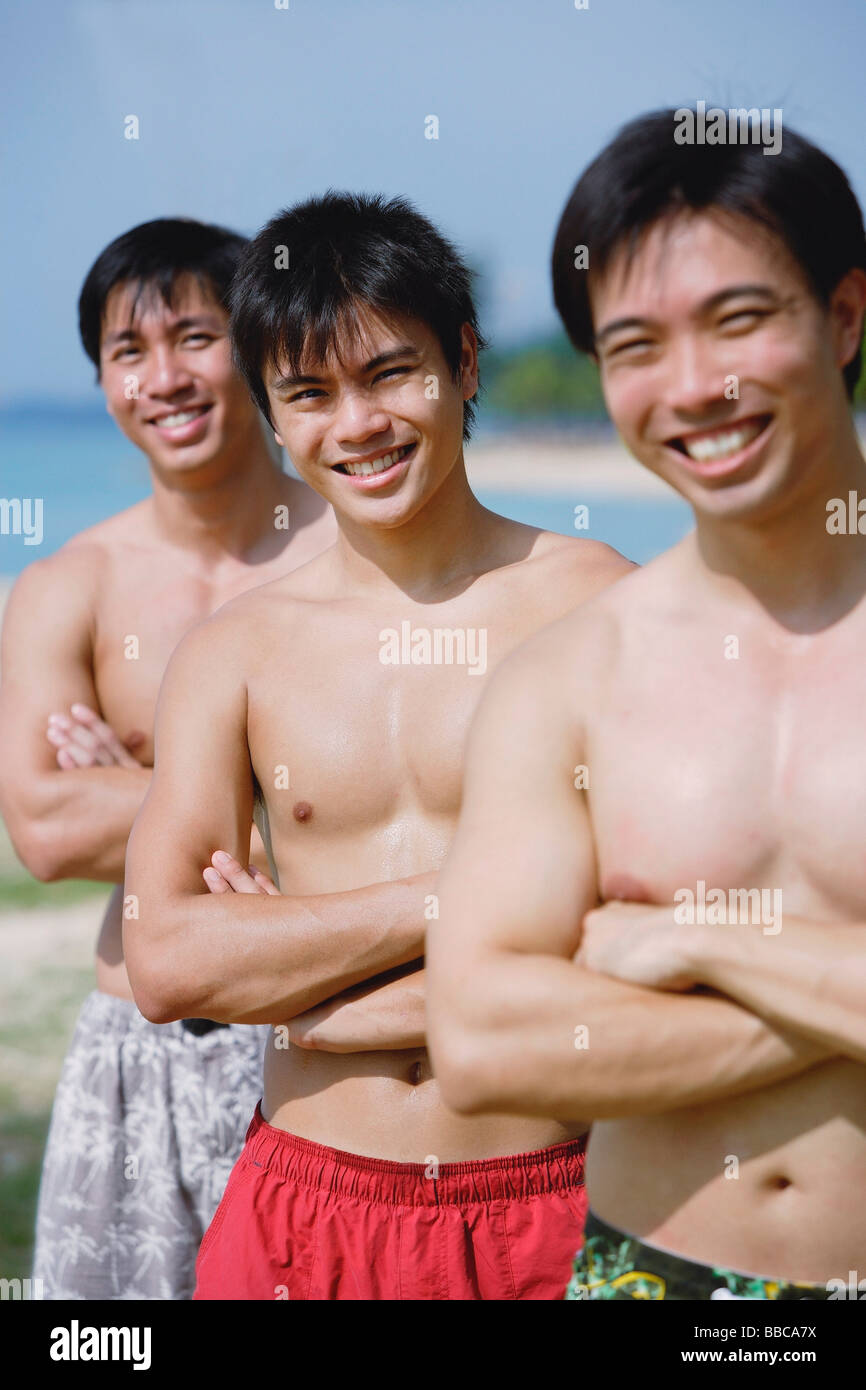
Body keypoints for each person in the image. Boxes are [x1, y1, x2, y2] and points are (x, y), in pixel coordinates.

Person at [123, 191, 633, 1301]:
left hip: (548, 1201)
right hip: (304, 1207)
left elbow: (648, 938)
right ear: (269, 411)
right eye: (307, 393)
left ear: (463, 361)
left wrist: (292, 985)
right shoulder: (235, 651)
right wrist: (471, 900)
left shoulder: (598, 609)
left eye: (390, 374)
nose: (354, 426)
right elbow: (166, 963)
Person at [428, 110, 866, 1301]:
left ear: (840, 314)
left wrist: (698, 936)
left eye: (736, 319)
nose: (692, 388)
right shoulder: (569, 676)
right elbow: (481, 1038)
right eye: (632, 345)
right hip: (648, 1274)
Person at [0, 217, 336, 1299]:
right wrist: (268, 801)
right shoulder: (68, 585)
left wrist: (135, 789)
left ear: (254, 342)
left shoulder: (351, 558)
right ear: (101, 379)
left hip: (318, 1047)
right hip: (129, 1047)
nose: (163, 378)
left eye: (193, 336)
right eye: (126, 351)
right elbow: (46, 831)